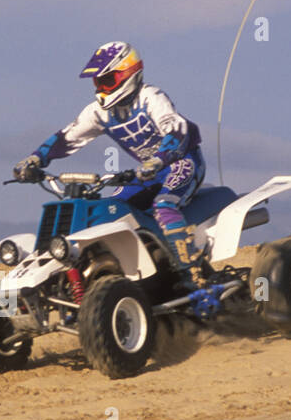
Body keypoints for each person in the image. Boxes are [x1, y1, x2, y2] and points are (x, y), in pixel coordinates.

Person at [13, 41, 206, 283]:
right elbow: (67, 137)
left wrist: (159, 160)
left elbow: (176, 128)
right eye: (98, 83)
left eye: (108, 81)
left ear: (128, 74)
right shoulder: (99, 112)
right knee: (111, 209)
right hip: (147, 171)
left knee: (164, 205)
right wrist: (36, 158)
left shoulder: (151, 97)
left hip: (181, 162)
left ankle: (192, 273)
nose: (102, 89)